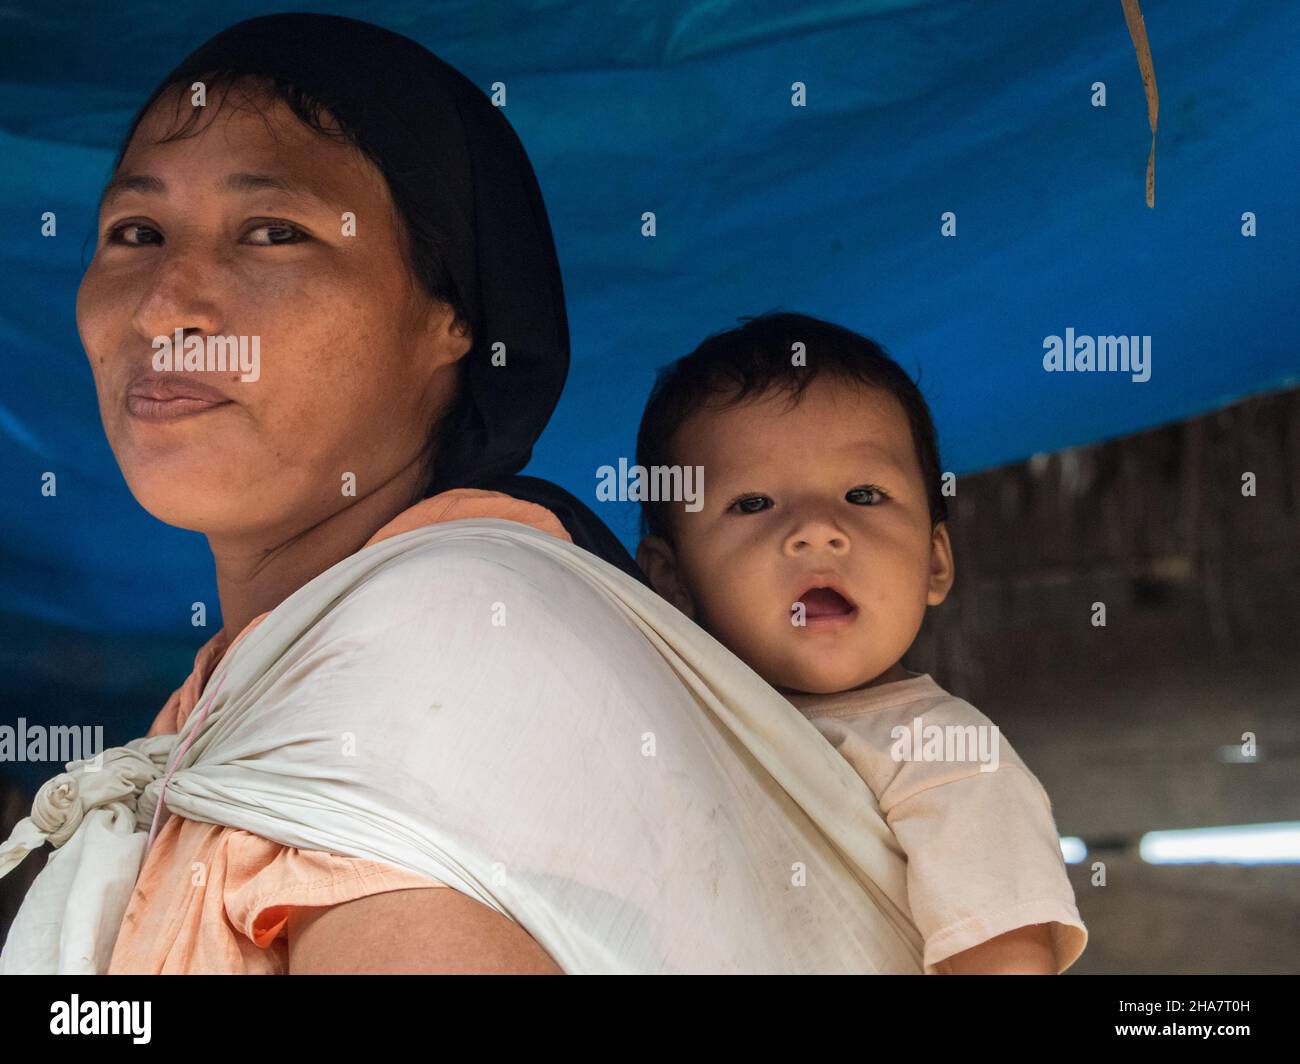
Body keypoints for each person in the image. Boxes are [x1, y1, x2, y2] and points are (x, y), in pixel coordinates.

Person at [0, 17, 926, 975]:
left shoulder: (448, 638)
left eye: (275, 232)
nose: (163, 306)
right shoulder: (246, 689)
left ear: (452, 318)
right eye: (135, 233)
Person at [635, 312, 1089, 974]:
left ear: (935, 563)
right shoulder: (663, 721)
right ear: (673, 581)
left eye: (863, 494)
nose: (817, 530)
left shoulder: (942, 751)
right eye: (755, 504)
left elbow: (1004, 963)